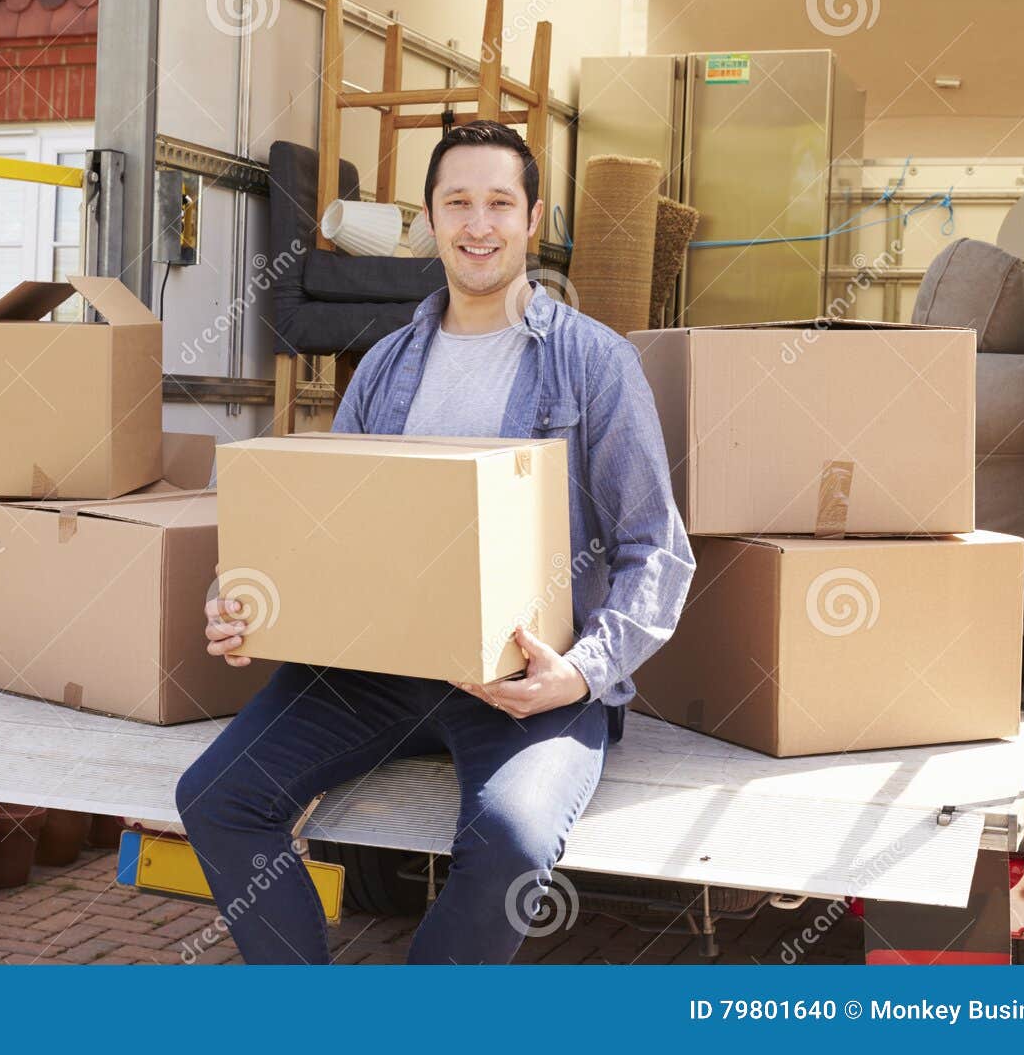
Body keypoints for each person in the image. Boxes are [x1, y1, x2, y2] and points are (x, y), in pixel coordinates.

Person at [175, 119, 694, 963]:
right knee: (217, 796)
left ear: (533, 219)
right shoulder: (383, 366)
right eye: (458, 203)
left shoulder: (595, 363)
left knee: (512, 841)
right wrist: (250, 608)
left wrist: (579, 673)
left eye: (500, 203)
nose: (478, 225)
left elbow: (656, 551)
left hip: (527, 680)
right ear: (430, 220)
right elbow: (328, 529)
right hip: (375, 672)